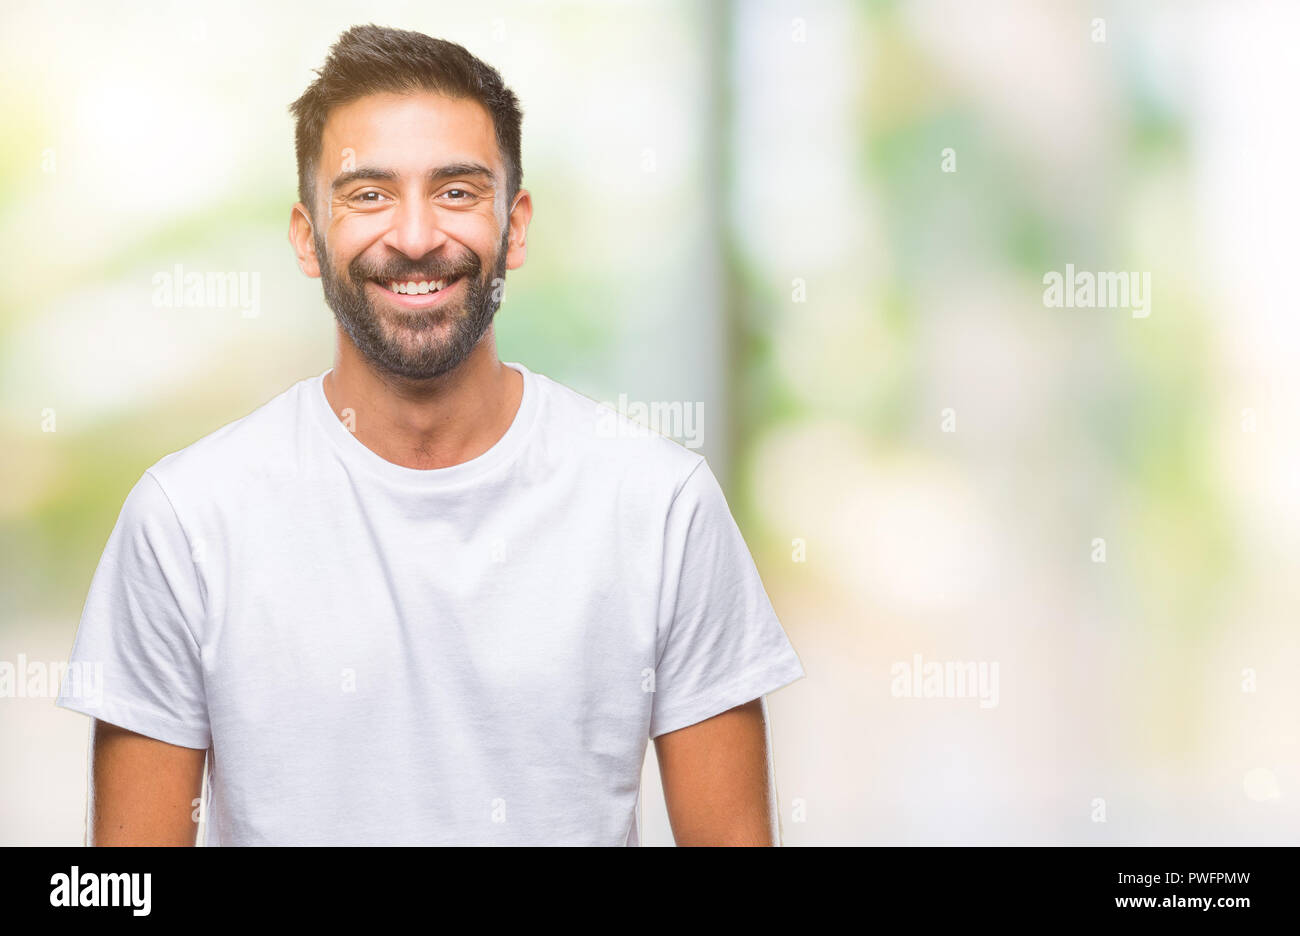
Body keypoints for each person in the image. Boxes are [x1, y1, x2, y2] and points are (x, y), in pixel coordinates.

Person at [55, 23, 804, 846]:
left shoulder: (660, 506)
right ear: (308, 236)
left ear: (514, 227)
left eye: (456, 191)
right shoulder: (186, 520)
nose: (415, 238)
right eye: (368, 194)